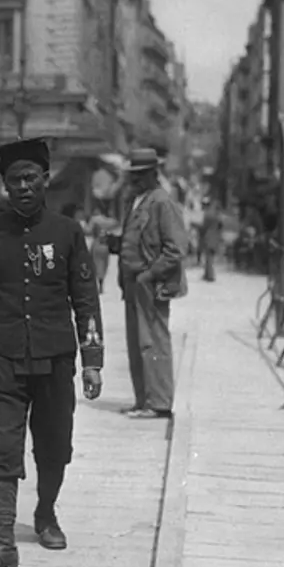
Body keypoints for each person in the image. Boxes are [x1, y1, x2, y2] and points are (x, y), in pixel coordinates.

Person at [0, 138, 104, 567]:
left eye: (30, 178)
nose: (22, 187)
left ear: (45, 180)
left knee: (54, 447)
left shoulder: (67, 233)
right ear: (4, 186)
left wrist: (92, 359)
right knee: (1, 448)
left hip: (55, 359)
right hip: (3, 358)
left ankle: (45, 513)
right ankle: (4, 542)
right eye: (13, 181)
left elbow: (85, 298)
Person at [110, 148, 188, 421]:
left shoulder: (162, 202)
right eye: (133, 175)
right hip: (132, 283)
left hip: (150, 282)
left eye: (140, 175)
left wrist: (150, 274)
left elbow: (176, 249)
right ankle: (143, 399)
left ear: (153, 174)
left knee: (153, 341)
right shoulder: (135, 200)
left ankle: (159, 402)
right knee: (136, 343)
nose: (135, 180)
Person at [198, 196, 223, 282]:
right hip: (215, 237)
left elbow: (204, 226)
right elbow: (220, 226)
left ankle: (210, 275)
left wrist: (196, 227)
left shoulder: (207, 214)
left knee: (209, 256)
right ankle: (207, 274)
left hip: (209, 237)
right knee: (210, 256)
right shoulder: (217, 214)